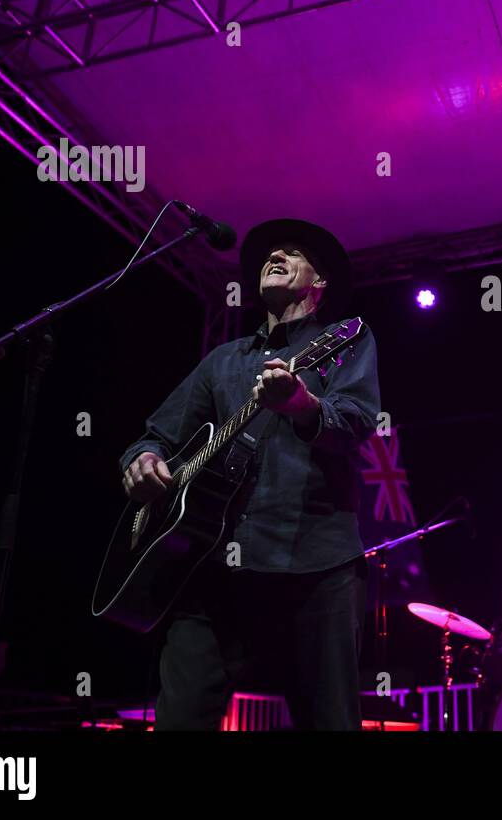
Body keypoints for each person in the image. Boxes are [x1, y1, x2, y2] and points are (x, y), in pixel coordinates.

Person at [119, 218, 380, 730]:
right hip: (214, 565)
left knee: (329, 722)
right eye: (269, 254)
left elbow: (356, 422)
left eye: (292, 253)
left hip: (316, 563)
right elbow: (158, 434)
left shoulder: (344, 340)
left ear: (319, 284)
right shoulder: (222, 361)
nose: (274, 257)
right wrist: (142, 460)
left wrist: (303, 404)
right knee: (180, 719)